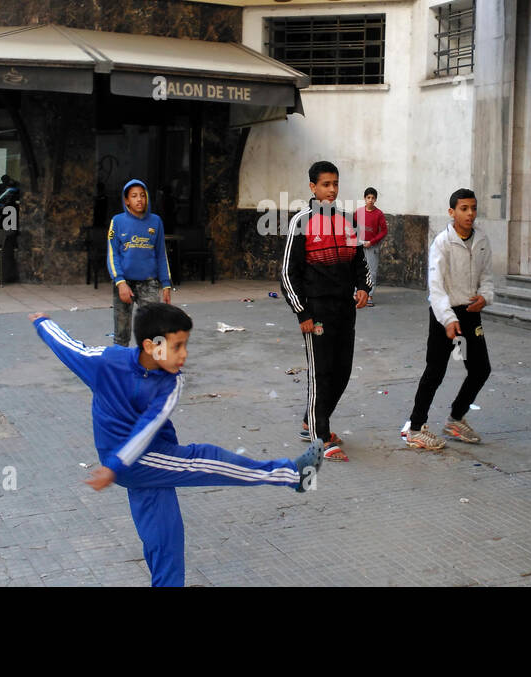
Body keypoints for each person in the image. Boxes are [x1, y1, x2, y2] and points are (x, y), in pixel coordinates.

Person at [30, 303, 324, 588]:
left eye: (185, 345)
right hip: (137, 460)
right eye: (177, 346)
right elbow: (68, 348)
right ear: (150, 346)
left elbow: (151, 424)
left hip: (137, 460)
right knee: (207, 459)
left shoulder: (171, 383)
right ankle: (293, 475)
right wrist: (44, 323)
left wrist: (42, 322)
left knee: (163, 534)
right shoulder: (106, 363)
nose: (184, 355)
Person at [280, 161, 372, 461]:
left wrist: (363, 287)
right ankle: (321, 436)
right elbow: (287, 273)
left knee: (342, 371)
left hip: (345, 309)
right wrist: (302, 313)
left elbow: (360, 261)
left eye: (335, 184)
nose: (332, 190)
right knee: (321, 373)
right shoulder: (301, 223)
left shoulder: (348, 222)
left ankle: (312, 421)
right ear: (312, 187)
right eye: (326, 185)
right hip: (316, 310)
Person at [405, 188, 494, 450]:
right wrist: (447, 319)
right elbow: (435, 286)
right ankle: (415, 428)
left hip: (470, 315)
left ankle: (455, 418)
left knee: (480, 369)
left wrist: (485, 297)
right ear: (452, 212)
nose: (470, 214)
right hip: (444, 318)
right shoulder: (442, 242)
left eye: (473, 208)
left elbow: (487, 277)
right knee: (435, 371)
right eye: (464, 209)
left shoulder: (482, 240)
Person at [107, 179, 173, 346]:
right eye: (134, 196)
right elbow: (112, 253)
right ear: (126, 200)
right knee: (121, 334)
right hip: (125, 283)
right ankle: (121, 368)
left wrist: (165, 283)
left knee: (154, 331)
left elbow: (160, 254)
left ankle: (154, 366)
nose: (139, 200)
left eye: (142, 195)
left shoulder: (156, 221)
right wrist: (120, 282)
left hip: (149, 283)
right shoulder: (117, 221)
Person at [353, 187, 388, 307]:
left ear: (376, 199)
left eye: (373, 198)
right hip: (359, 244)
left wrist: (372, 242)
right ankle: (356, 293)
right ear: (364, 198)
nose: (370, 200)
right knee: (356, 268)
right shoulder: (359, 212)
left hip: (371, 246)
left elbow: (383, 231)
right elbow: (354, 227)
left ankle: (369, 295)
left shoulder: (379, 214)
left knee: (371, 270)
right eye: (368, 197)